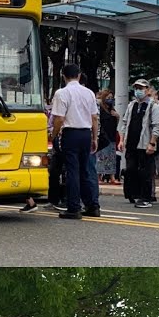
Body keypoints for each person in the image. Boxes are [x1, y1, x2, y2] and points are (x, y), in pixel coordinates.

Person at [48, 63, 100, 219]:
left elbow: (59, 118)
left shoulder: (61, 93)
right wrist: (94, 137)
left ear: (63, 76)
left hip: (70, 133)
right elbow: (94, 118)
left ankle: (74, 207)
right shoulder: (89, 93)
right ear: (79, 75)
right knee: (85, 170)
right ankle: (92, 205)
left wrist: (54, 135)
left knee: (72, 171)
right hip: (86, 132)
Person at [118, 79, 159, 209]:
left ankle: (146, 198)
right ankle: (133, 193)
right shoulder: (131, 105)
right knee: (130, 169)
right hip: (131, 143)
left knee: (145, 171)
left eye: (142, 88)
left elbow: (156, 126)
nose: (138, 90)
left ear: (148, 90)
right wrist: (122, 140)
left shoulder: (153, 106)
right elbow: (125, 123)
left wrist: (152, 143)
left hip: (145, 144)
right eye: (137, 88)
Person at [96, 89, 120, 184]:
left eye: (111, 98)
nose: (110, 99)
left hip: (112, 134)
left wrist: (117, 116)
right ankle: (99, 176)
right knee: (101, 156)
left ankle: (112, 176)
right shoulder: (100, 108)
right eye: (108, 97)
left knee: (111, 156)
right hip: (103, 135)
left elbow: (116, 123)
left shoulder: (112, 109)